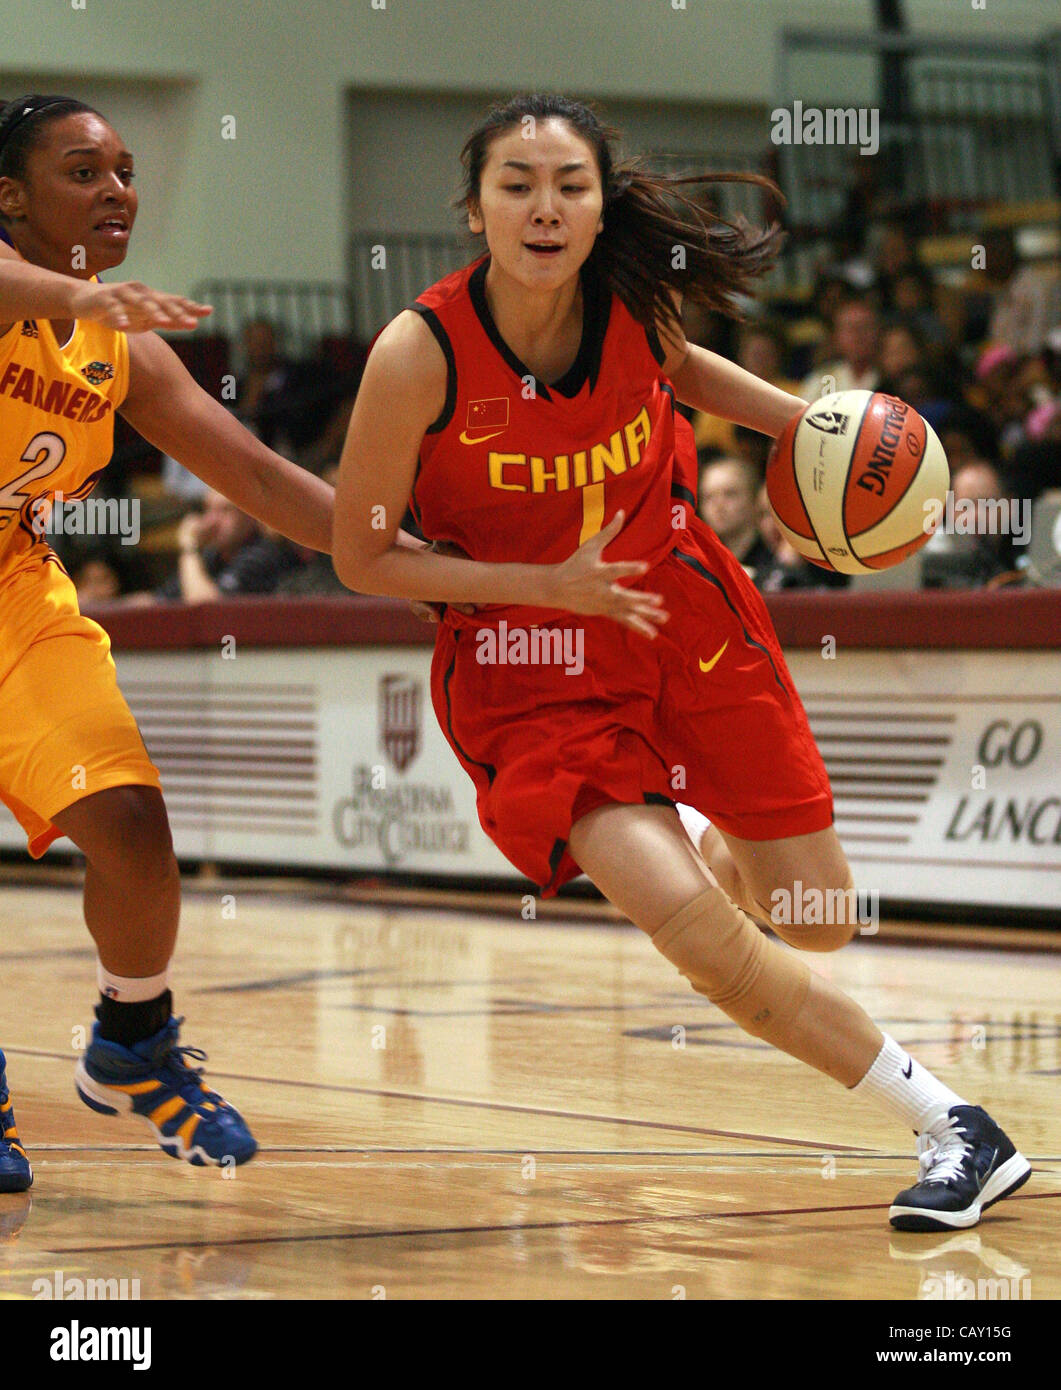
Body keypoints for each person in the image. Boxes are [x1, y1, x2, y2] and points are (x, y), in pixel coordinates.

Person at [332, 92, 1030, 1231]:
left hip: (682, 609)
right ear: (474, 211)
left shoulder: (622, 305)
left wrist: (817, 429)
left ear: (601, 206)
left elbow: (685, 373)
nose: (544, 208)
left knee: (811, 913)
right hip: (528, 658)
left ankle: (703, 832)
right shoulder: (418, 353)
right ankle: (952, 1124)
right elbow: (358, 554)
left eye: (569, 186)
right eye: (516, 185)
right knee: (698, 935)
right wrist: (538, 587)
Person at [0, 93, 355, 1190]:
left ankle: (133, 1037)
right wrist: (79, 298)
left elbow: (254, 475)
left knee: (134, 825)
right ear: (9, 198)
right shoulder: (55, 298)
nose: (115, 190)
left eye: (125, 171)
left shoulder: (115, 344)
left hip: (12, 586)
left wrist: (416, 560)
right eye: (81, 170)